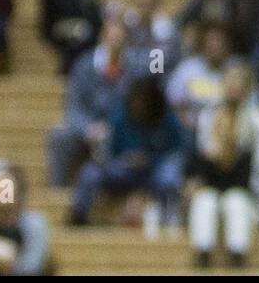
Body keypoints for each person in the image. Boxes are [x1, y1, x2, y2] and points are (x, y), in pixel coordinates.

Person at [185, 61, 259, 268]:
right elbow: (202, 159)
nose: (233, 87)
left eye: (239, 82)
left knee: (236, 202)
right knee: (204, 200)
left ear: (248, 88)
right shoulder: (209, 116)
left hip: (245, 187)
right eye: (229, 81)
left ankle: (237, 257)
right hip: (214, 182)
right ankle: (203, 255)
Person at [69, 76, 187, 231]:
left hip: (153, 172)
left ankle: (167, 220)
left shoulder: (168, 119)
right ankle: (79, 217)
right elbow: (107, 152)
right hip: (122, 170)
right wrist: (124, 159)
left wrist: (151, 159)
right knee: (90, 172)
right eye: (137, 101)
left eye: (145, 102)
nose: (140, 106)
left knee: (170, 176)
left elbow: (178, 151)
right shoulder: (118, 114)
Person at [45, 14, 132, 187]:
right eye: (111, 38)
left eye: (119, 39)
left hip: (118, 131)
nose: (115, 43)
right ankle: (56, 192)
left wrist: (113, 129)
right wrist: (88, 129)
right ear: (102, 38)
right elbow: (73, 107)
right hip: (86, 129)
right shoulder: (83, 64)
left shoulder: (133, 67)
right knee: (58, 136)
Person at [166, 23, 241, 133]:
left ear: (228, 44)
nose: (216, 46)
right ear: (203, 44)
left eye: (220, 41)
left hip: (229, 130)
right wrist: (187, 124)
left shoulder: (238, 68)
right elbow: (173, 103)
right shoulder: (187, 69)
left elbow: (251, 103)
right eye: (211, 41)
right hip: (191, 129)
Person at [122, 0, 183, 78]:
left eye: (146, 4)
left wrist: (130, 60)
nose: (142, 9)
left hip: (161, 80)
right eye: (138, 3)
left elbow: (156, 67)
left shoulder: (165, 28)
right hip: (132, 78)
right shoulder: (128, 22)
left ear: (155, 3)